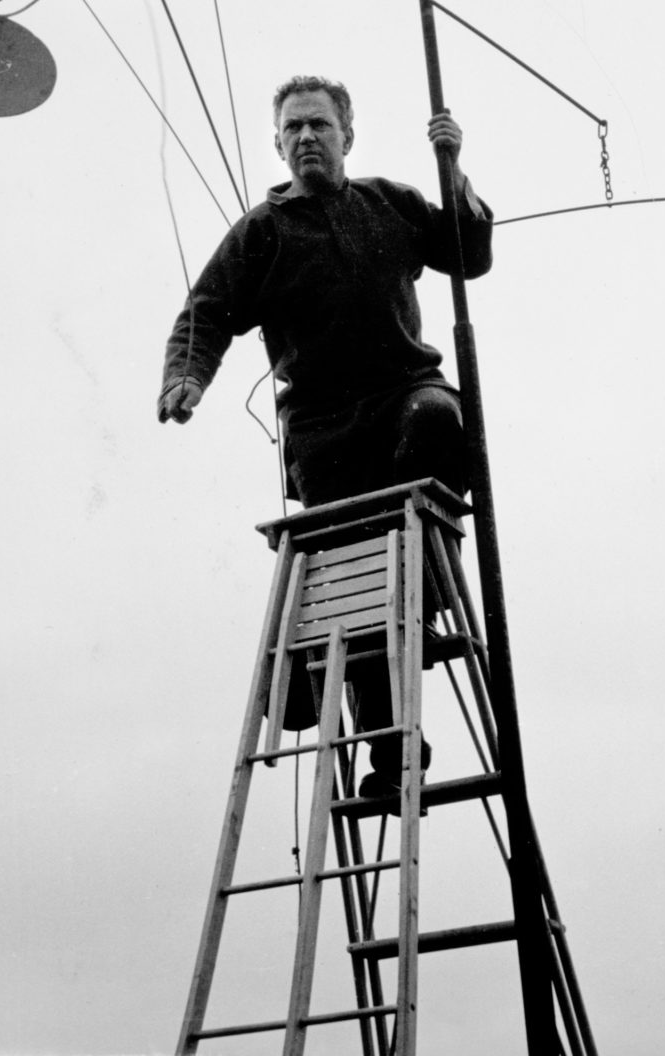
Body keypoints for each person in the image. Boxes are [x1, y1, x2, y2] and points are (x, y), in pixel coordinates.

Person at [158, 75, 494, 793]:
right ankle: (387, 752)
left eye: (319, 124)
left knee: (439, 423)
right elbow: (206, 311)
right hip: (322, 427)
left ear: (348, 135)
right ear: (278, 143)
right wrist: (186, 376)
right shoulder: (262, 232)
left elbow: (468, 255)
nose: (306, 136)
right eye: (293, 128)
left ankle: (414, 598)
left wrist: (452, 167)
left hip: (405, 393)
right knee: (352, 580)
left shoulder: (391, 202)